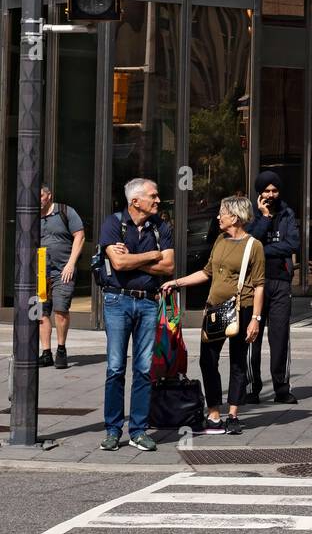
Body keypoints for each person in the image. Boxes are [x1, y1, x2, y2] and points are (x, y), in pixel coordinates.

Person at [163, 196, 265, 435]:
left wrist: (256, 319)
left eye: (223, 213)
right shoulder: (220, 239)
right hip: (214, 308)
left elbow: (260, 284)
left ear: (236, 217)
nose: (218, 217)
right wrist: (177, 283)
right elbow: (207, 272)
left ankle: (233, 414)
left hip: (242, 309)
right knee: (207, 360)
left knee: (239, 361)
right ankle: (214, 413)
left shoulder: (254, 246)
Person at [98, 177, 175, 452]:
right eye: (152, 196)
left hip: (148, 303)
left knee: (143, 369)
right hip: (117, 301)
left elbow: (168, 267)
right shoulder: (113, 224)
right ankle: (112, 429)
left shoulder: (161, 226)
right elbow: (117, 262)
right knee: (115, 368)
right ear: (135, 201)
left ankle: (139, 430)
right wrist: (152, 256)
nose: (157, 200)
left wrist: (135, 260)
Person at [245, 170, 300, 405]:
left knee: (280, 336)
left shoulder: (287, 213)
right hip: (255, 282)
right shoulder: (251, 215)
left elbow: (292, 244)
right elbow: (249, 243)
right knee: (252, 336)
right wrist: (265, 218)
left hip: (280, 282)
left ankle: (281, 388)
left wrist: (263, 251)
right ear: (259, 193)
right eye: (266, 191)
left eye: (274, 190)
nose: (270, 194)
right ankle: (251, 387)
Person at [38, 183, 85, 369]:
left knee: (60, 309)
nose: (37, 200)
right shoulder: (33, 216)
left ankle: (61, 349)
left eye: (40, 196)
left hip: (63, 270)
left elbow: (79, 236)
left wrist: (71, 264)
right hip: (41, 270)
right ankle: (46, 353)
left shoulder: (65, 211)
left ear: (48, 196)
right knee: (41, 313)